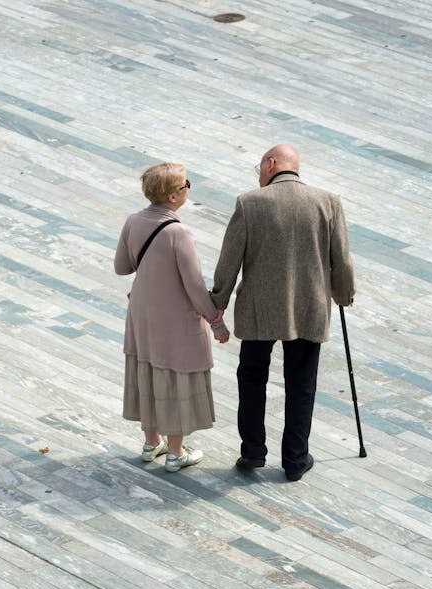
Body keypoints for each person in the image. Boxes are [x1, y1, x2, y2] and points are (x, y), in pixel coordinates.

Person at [210, 144, 355, 481]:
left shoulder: (250, 203)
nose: (259, 177)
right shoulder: (328, 201)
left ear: (271, 164)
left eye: (259, 169)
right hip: (310, 307)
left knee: (252, 377)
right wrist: (343, 295)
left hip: (260, 309)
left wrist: (218, 301)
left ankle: (253, 452)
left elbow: (229, 259)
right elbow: (342, 259)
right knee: (302, 384)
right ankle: (295, 459)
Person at [115, 163, 229, 472]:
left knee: (147, 368)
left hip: (141, 310)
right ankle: (176, 452)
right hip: (174, 318)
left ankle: (152, 443)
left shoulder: (133, 221)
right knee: (174, 376)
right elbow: (194, 286)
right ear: (173, 196)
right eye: (185, 185)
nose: (187, 189)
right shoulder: (178, 232)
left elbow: (122, 267)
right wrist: (216, 322)